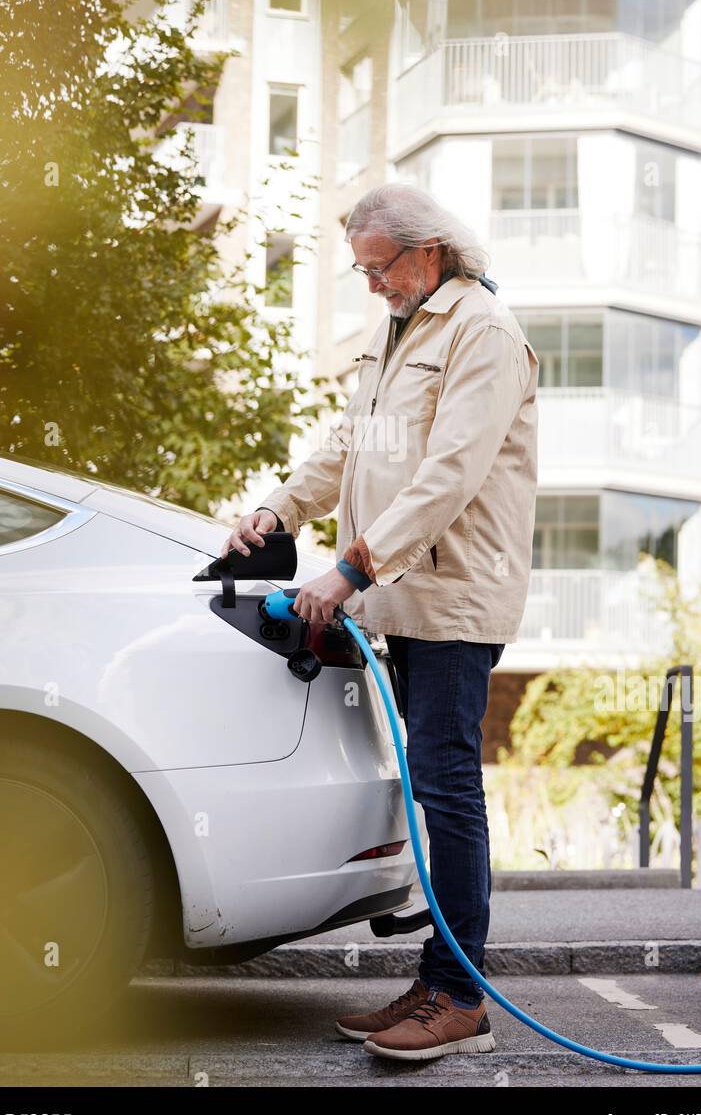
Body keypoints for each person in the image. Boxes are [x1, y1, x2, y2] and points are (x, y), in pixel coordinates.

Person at [221, 182, 538, 1062]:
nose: (370, 284)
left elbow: (449, 474)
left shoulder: (482, 331)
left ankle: (460, 1001)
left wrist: (352, 567)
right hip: (403, 596)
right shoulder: (398, 331)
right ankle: (438, 981)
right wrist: (280, 510)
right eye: (361, 271)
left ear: (427, 250)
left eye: (378, 267)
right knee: (429, 784)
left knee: (447, 787)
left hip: (453, 597)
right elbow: (350, 445)